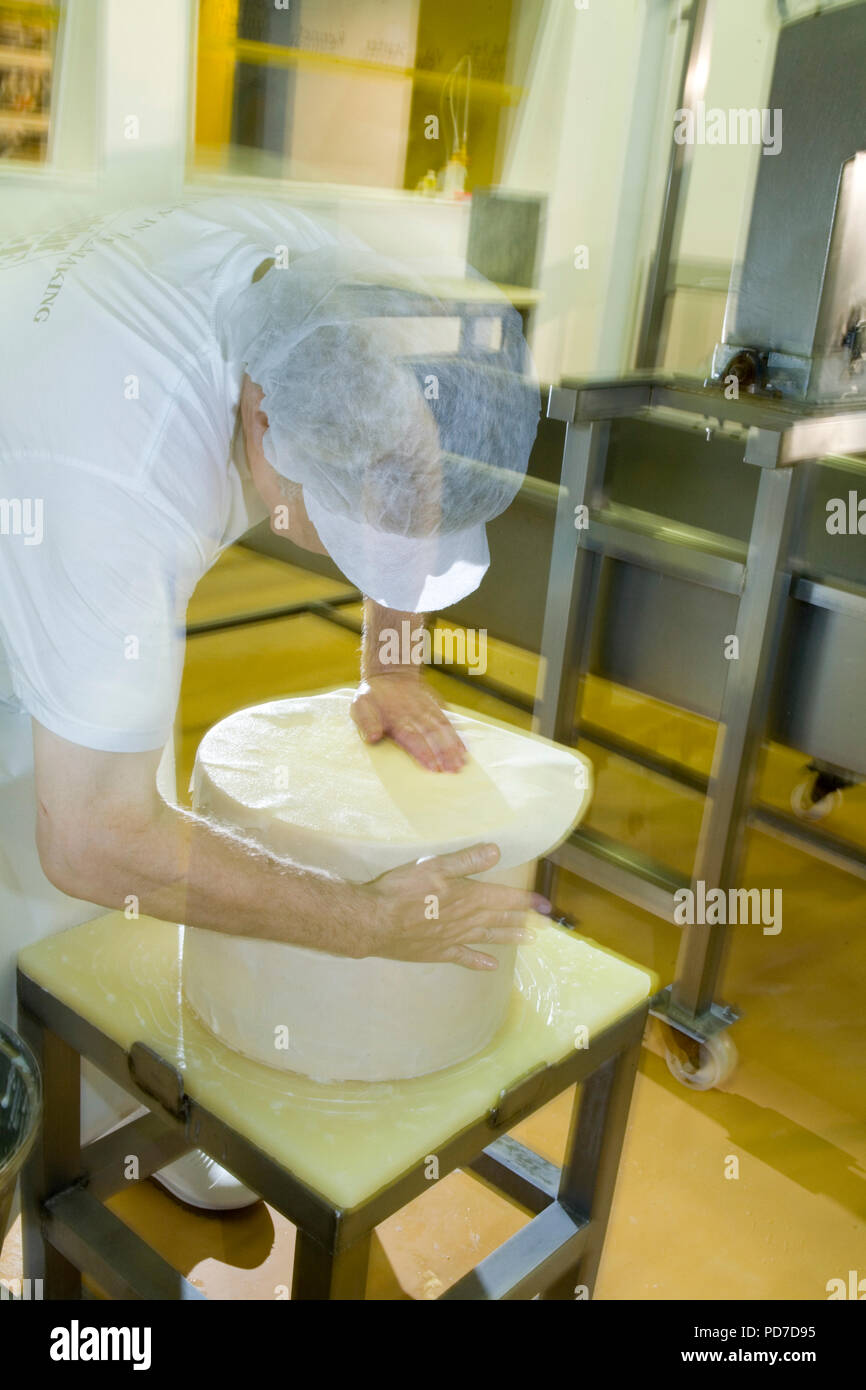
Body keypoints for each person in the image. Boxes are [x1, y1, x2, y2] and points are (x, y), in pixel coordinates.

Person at [0, 196, 545, 1208]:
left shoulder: (330, 291)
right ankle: (47, 1160)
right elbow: (89, 842)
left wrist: (390, 656)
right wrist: (363, 923)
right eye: (334, 528)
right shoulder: (119, 474)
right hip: (35, 486)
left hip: (50, 467)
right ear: (263, 422)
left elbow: (401, 450)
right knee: (49, 866)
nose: (359, 554)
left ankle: (131, 1112)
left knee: (121, 792)